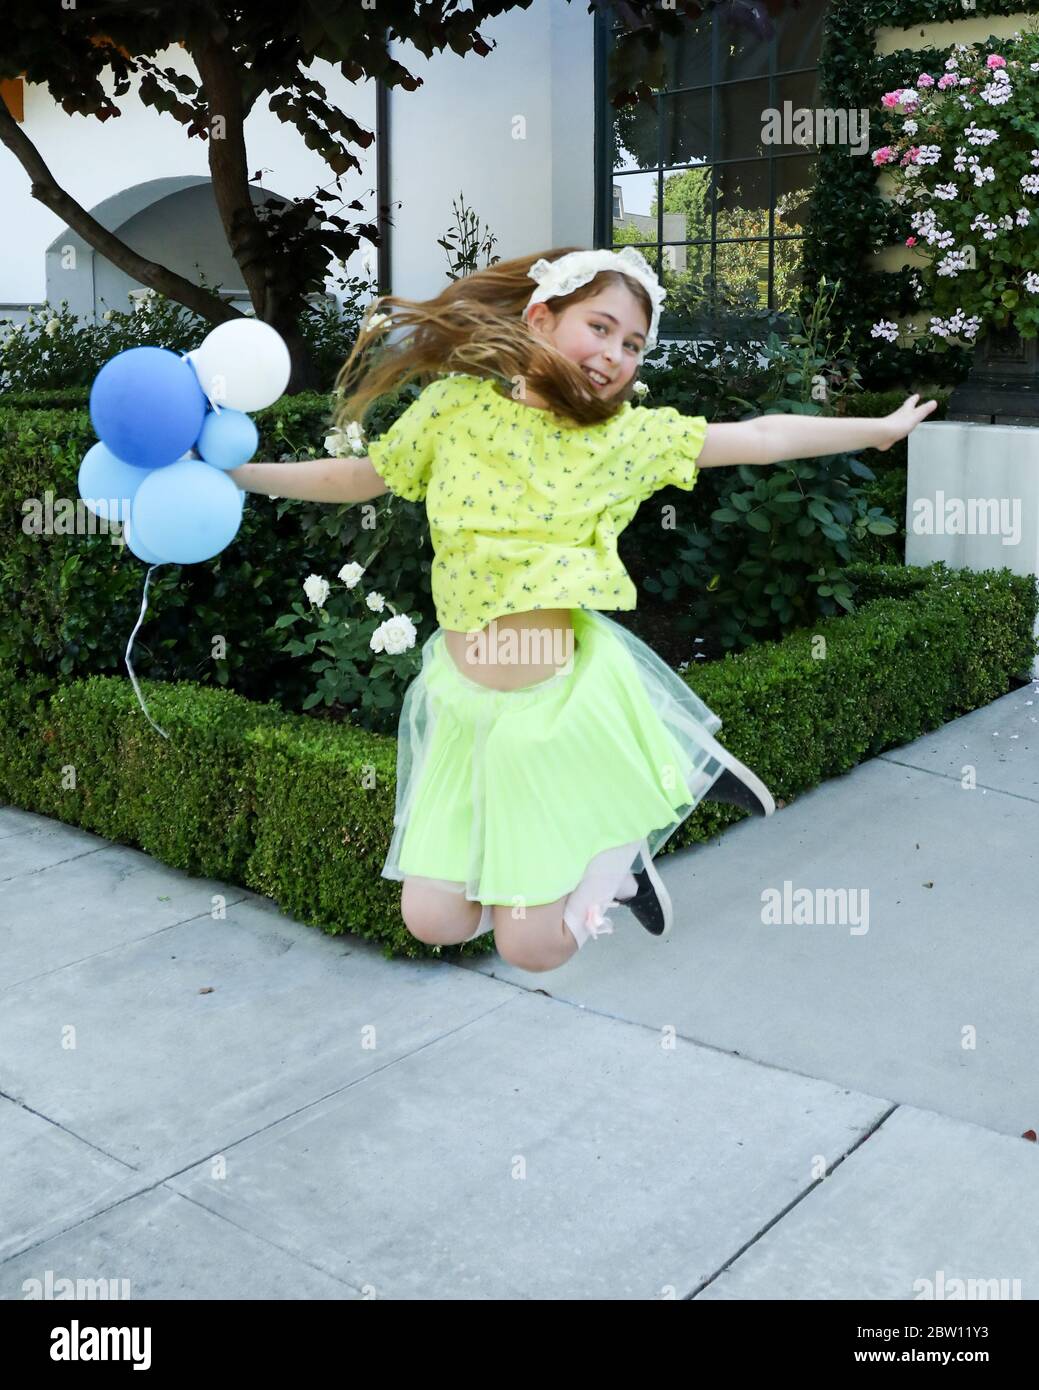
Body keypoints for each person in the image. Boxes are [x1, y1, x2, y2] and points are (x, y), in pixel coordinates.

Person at [231, 245, 937, 974]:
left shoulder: (624, 437)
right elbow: (360, 475)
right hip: (465, 707)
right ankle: (618, 846)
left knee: (531, 948)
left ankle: (611, 864)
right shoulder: (452, 409)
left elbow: (757, 437)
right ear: (540, 318)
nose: (615, 354)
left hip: (559, 708)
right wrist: (242, 475)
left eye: (632, 343)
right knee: (433, 920)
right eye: (599, 327)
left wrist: (875, 431)